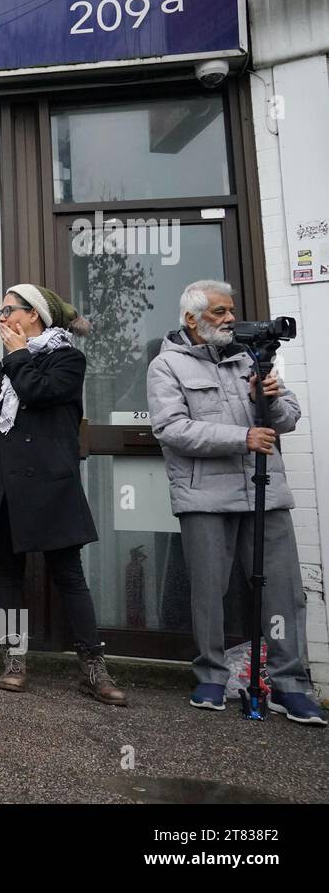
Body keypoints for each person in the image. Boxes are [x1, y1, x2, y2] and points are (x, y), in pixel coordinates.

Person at [147, 280, 324, 725]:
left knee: (283, 592)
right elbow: (171, 429)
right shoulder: (167, 366)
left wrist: (266, 400)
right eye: (219, 312)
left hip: (266, 494)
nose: (230, 319)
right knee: (210, 591)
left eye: (230, 311)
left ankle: (290, 684)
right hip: (204, 497)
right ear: (192, 319)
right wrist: (241, 437)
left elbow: (287, 418)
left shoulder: (251, 357)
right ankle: (210, 675)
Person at [0, 284, 127, 705]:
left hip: (50, 484)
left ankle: (93, 667)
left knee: (68, 575)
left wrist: (18, 355)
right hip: (2, 484)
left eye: (7, 310)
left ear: (33, 314)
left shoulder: (68, 358)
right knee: (6, 573)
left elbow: (39, 393)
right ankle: (14, 659)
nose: (0, 318)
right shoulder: (4, 368)